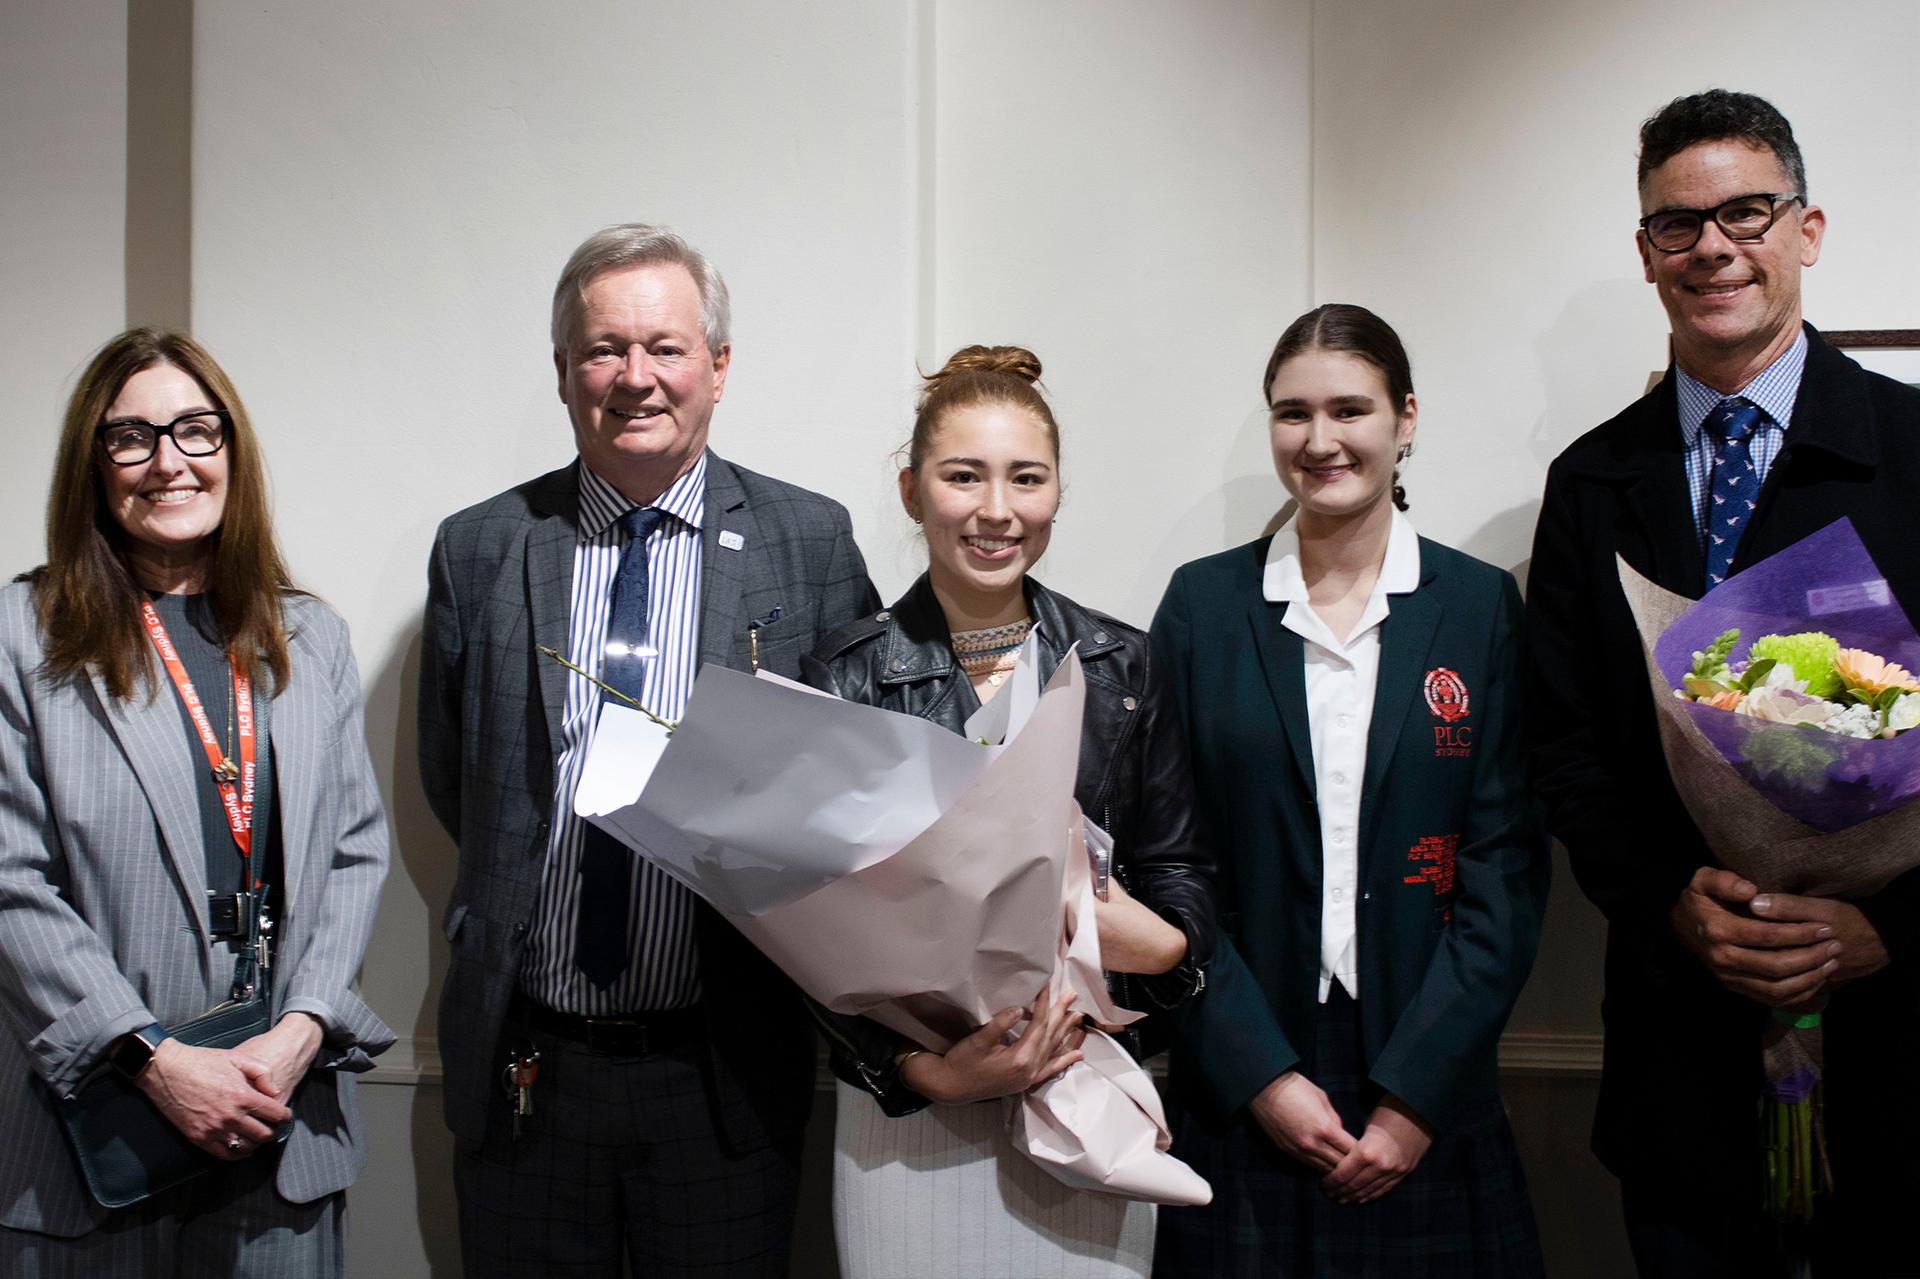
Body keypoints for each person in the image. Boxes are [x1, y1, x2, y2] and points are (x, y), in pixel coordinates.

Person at [419, 222, 879, 1275]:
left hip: (720, 1068)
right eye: (604, 349)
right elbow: (462, 780)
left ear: (718, 365)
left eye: (666, 347)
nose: (636, 377)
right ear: (563, 370)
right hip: (532, 1062)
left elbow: (848, 781)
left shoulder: (807, 540)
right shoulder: (481, 546)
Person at [1526, 89, 1920, 1278]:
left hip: (1896, 1053)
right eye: (1676, 224)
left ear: (1808, 229)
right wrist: (1669, 901)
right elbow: (1564, 747)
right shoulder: (1593, 481)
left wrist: (1887, 928)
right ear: (1647, 252)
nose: (1713, 247)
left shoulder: (1914, 452)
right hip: (1681, 1050)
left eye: (1746, 211)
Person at [802, 345, 1217, 1279]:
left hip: (1087, 1093)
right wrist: (929, 1072)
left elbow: (1183, 874)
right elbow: (805, 931)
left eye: (1026, 478)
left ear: (1058, 493)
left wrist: (1152, 944)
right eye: (964, 476)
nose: (997, 509)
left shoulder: (1120, 664)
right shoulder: (845, 674)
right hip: (913, 1122)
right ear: (912, 491)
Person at [1150, 305, 1548, 1277]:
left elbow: (1506, 862)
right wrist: (1262, 1076)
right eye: (1293, 413)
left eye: (1350, 409)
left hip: (1425, 1066)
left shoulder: (1478, 604)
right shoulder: (1203, 606)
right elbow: (1166, 865)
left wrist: (1417, 1096)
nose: (1320, 439)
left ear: (1405, 418)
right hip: (1246, 1068)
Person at [0, 328, 393, 1274]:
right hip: (93, 1130)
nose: (168, 461)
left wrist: (301, 1031)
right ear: (92, 463)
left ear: (231, 448)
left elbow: (353, 853)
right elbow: (12, 882)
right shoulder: (23, 634)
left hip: (278, 1114)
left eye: (194, 429)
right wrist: (156, 1060)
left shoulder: (311, 636)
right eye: (130, 437)